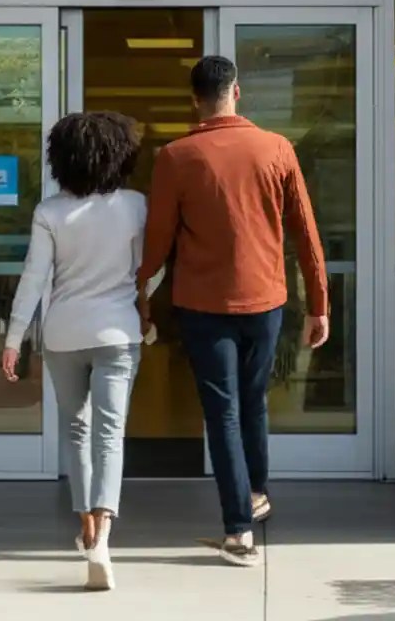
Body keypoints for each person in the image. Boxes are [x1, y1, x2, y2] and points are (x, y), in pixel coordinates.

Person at [137, 55, 329, 568]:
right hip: (266, 300)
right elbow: (306, 233)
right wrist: (320, 304)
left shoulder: (176, 157)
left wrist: (140, 297)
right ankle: (256, 494)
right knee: (254, 402)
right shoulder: (277, 149)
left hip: (202, 304)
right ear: (237, 92)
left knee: (222, 411)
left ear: (194, 100)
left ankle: (239, 530)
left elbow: (157, 244)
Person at [2, 111, 148, 591]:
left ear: (61, 160)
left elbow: (33, 279)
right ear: (118, 157)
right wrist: (133, 296)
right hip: (117, 333)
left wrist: (13, 336)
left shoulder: (50, 212)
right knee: (110, 433)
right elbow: (149, 270)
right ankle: (104, 536)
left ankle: (85, 525)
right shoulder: (134, 206)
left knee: (76, 430)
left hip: (63, 334)